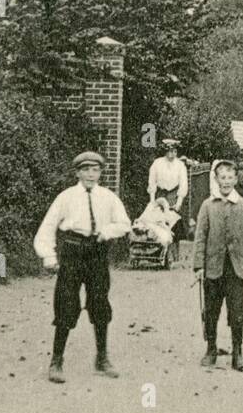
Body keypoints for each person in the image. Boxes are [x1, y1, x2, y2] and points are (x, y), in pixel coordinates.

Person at [34, 151, 132, 382]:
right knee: (66, 302)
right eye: (86, 170)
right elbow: (47, 227)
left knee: (99, 302)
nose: (91, 174)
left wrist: (107, 232)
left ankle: (102, 358)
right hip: (72, 251)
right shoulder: (66, 197)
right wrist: (48, 255)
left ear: (100, 173)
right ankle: (56, 361)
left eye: (95, 170)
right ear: (78, 172)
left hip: (97, 252)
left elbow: (124, 224)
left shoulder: (108, 197)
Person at [194, 159, 243, 372]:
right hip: (213, 267)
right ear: (216, 180)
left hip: (237, 268)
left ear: (236, 179)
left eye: (229, 178)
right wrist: (198, 266)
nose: (226, 182)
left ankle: (238, 351)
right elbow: (200, 237)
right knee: (211, 310)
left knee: (237, 312)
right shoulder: (207, 205)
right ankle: (211, 348)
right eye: (221, 178)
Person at [148, 139, 190, 256]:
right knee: (159, 221)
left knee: (174, 222)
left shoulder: (180, 165)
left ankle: (174, 253)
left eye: (174, 152)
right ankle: (159, 251)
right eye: (169, 152)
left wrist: (179, 201)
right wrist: (152, 200)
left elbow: (183, 183)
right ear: (165, 152)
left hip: (173, 195)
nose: (172, 154)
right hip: (161, 194)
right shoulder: (157, 163)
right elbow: (152, 181)